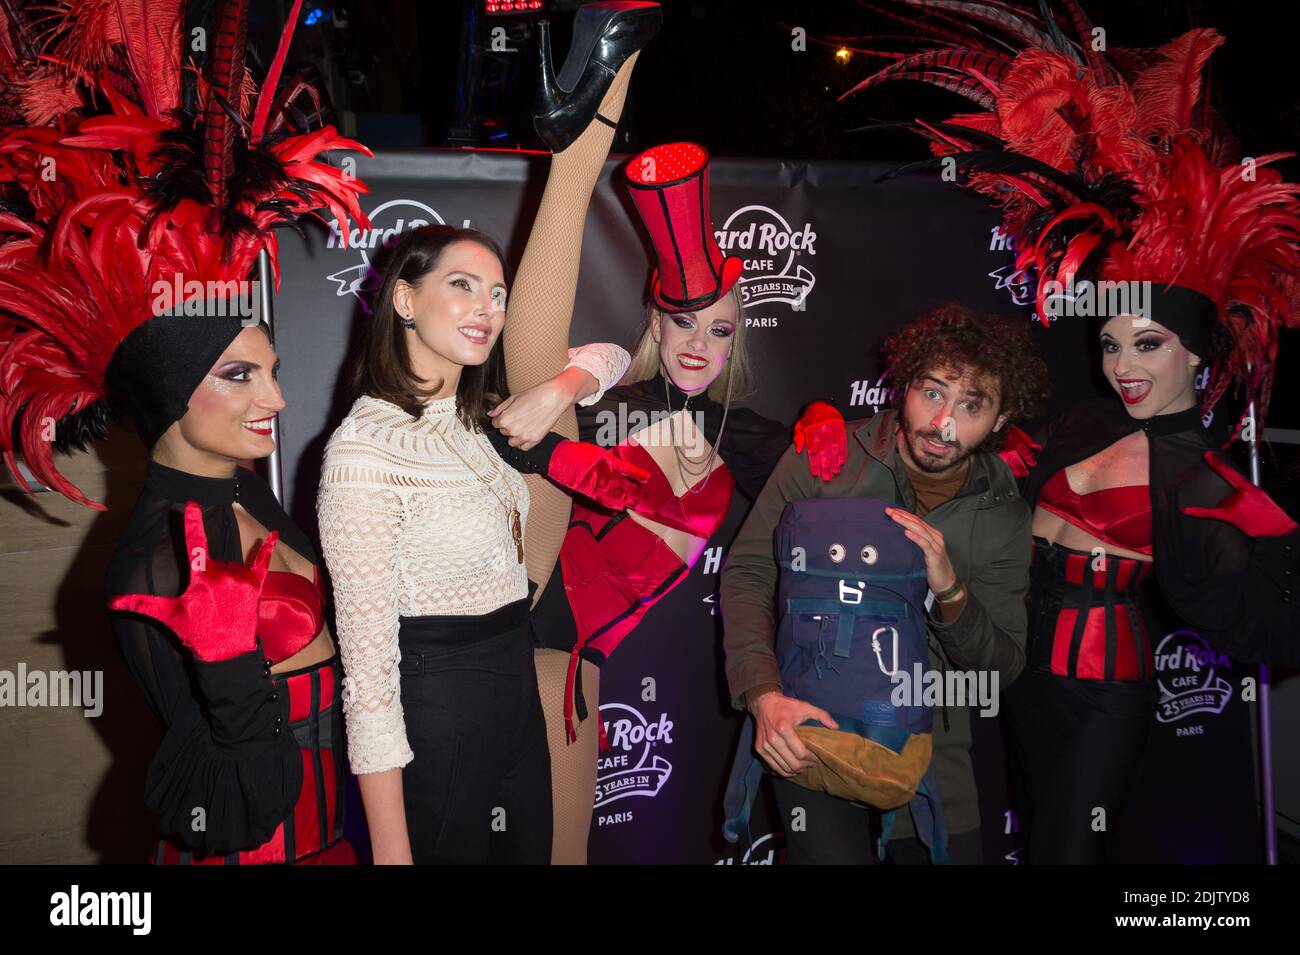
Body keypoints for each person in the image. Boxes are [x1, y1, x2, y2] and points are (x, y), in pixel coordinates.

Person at [848, 1, 1300, 863]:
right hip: (1025, 684)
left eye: (1150, 346)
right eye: (1112, 342)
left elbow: (1258, 603)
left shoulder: (1202, 478)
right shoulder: (1084, 422)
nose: (1124, 364)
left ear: (1198, 356)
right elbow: (972, 449)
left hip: (1105, 699)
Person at [0, 1, 371, 863]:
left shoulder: (251, 495)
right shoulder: (152, 560)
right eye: (240, 375)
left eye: (271, 369)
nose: (276, 399)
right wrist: (231, 673)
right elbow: (225, 811)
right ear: (169, 395)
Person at [483, 4, 847, 864]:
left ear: (739, 337)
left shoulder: (751, 434)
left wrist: (830, 424)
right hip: (521, 580)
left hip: (570, 650)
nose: (698, 345)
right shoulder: (617, 390)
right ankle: (582, 132)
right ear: (658, 325)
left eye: (719, 330)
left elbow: (843, 490)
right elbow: (581, 378)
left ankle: (590, 103)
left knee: (557, 849)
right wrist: (571, 381)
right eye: (682, 324)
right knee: (538, 378)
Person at [315, 225, 646, 864]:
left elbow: (614, 356)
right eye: (462, 285)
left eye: (497, 294)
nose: (488, 309)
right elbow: (369, 674)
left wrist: (558, 389)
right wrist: (390, 850)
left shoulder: (476, 416)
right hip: (437, 708)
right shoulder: (362, 453)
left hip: (516, 690)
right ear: (405, 302)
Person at [721, 303, 1049, 864]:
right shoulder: (826, 458)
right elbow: (749, 573)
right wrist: (764, 695)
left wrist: (949, 593)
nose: (943, 421)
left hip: (931, 751)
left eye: (971, 405)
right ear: (904, 386)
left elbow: (1001, 668)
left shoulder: (1004, 515)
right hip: (809, 730)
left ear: (1001, 420)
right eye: (933, 392)